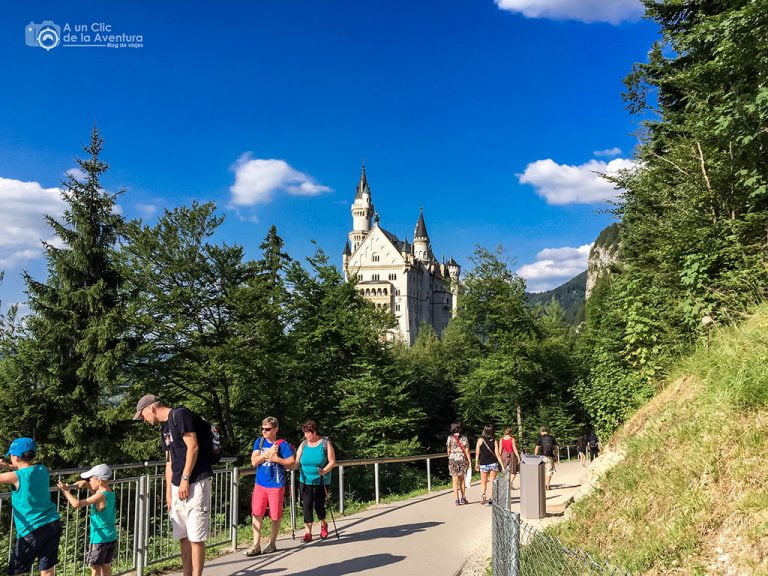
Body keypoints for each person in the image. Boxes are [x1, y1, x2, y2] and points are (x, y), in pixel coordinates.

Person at [133, 394, 212, 576]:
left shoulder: (180, 415)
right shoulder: (165, 428)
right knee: (183, 536)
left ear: (151, 408)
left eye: (142, 416)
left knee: (196, 536)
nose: (143, 420)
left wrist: (185, 479)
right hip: (178, 487)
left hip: (196, 481)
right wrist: (169, 492)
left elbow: (193, 446)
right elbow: (168, 462)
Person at [0, 438, 61, 576]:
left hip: (31, 529)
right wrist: (8, 466)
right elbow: (24, 469)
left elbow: (17, 473)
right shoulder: (42, 469)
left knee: (16, 571)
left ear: (14, 456)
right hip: (52, 523)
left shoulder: (14, 476)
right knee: (47, 570)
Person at [244, 416, 295, 556]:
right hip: (260, 483)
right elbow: (254, 462)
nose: (264, 431)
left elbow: (291, 462)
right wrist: (267, 454)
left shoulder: (282, 444)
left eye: (267, 429)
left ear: (275, 429)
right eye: (262, 428)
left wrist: (276, 458)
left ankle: (272, 543)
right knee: (256, 513)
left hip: (276, 484)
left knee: (275, 515)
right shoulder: (259, 442)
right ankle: (256, 544)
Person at [56, 464, 117, 576]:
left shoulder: (99, 496)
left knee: (95, 567)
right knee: (106, 565)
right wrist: (87, 485)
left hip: (99, 538)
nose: (89, 480)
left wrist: (65, 491)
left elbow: (76, 504)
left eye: (90, 479)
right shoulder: (110, 492)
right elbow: (98, 495)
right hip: (111, 536)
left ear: (99, 480)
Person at [295, 420, 336, 542]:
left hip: (321, 481)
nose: (306, 435)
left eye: (308, 433)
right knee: (306, 506)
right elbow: (297, 461)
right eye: (305, 433)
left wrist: (324, 471)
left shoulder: (325, 443)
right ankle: (308, 533)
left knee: (318, 506)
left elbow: (332, 461)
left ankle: (323, 523)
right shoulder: (303, 444)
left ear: (315, 432)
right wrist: (290, 467)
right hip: (305, 480)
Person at [474, 424, 501, 505]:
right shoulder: (495, 441)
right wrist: (502, 466)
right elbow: (497, 454)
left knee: (483, 482)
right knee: (492, 481)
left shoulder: (480, 440)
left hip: (483, 463)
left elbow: (477, 453)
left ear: (484, 430)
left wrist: (476, 463)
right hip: (493, 463)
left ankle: (483, 495)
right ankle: (491, 498)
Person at [446, 422, 471, 506]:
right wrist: (470, 462)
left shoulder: (450, 438)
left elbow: (448, 450)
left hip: (453, 458)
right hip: (462, 458)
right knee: (462, 479)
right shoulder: (464, 438)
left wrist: (450, 457)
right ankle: (463, 498)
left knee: (454, 480)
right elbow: (467, 451)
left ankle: (456, 500)